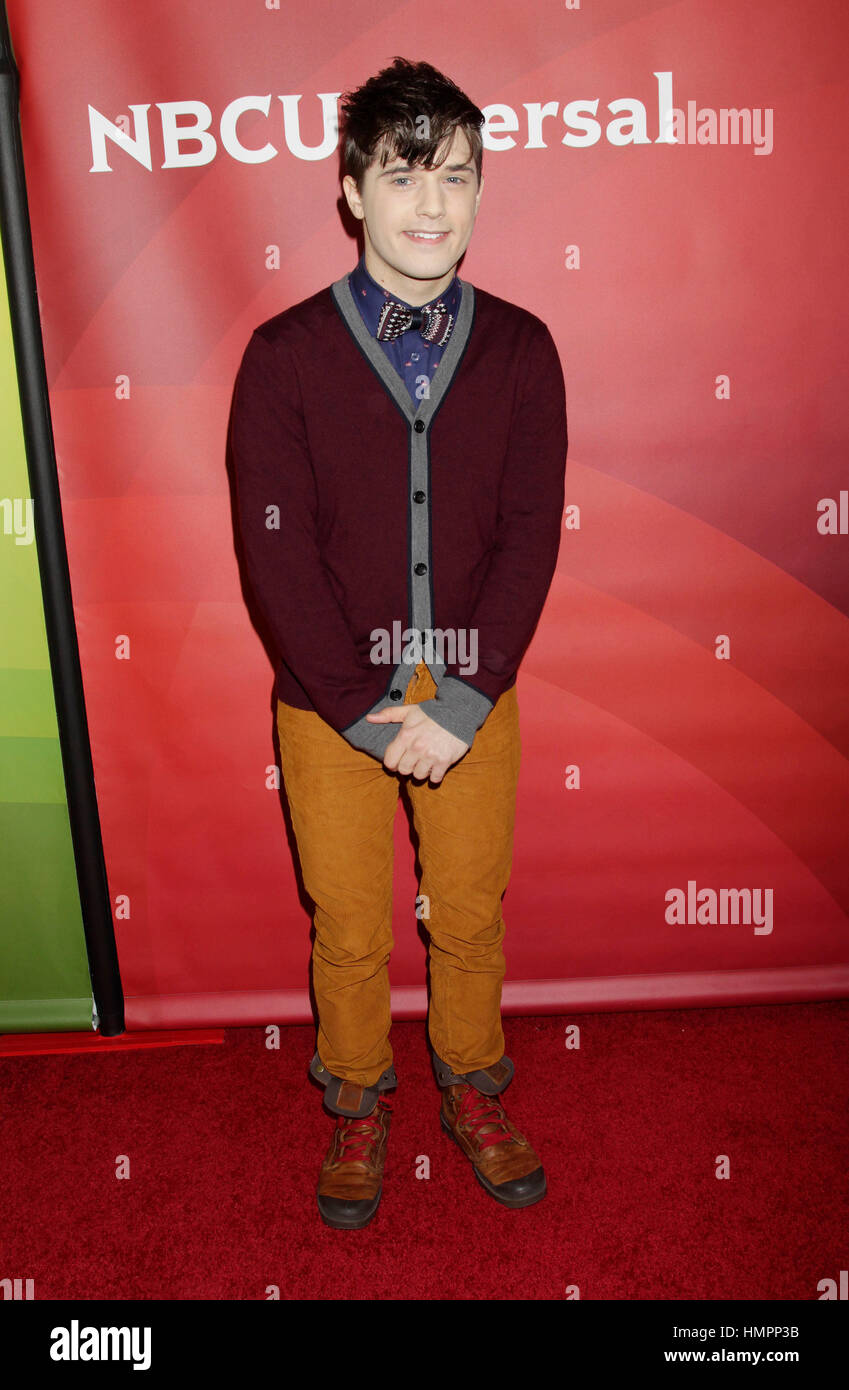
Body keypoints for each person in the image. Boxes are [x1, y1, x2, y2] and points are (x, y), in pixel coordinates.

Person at [230, 56, 567, 1229]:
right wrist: (370, 707)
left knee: (471, 910)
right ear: (352, 191)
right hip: (330, 700)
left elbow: (530, 539)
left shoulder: (525, 350)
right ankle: (357, 1097)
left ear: (481, 196)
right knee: (351, 923)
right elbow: (275, 557)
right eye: (405, 174)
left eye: (458, 178)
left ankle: (474, 1081)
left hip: (477, 686)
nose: (433, 204)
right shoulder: (282, 359)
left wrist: (463, 697)